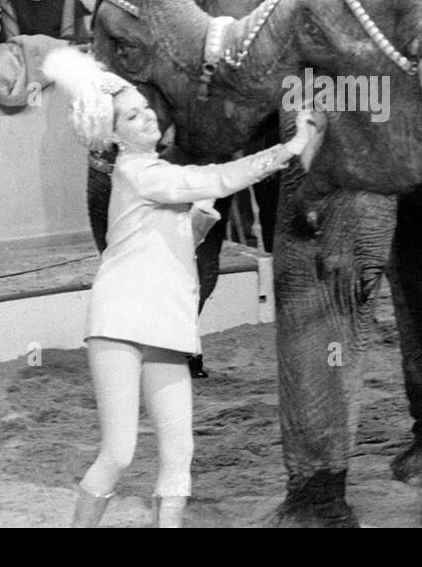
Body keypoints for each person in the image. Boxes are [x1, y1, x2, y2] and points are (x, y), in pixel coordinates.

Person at [45, 47, 317, 528]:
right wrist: (287, 152)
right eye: (131, 115)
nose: (147, 116)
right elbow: (213, 177)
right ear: (113, 135)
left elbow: (166, 246)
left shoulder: (158, 175)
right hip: (121, 319)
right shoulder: (138, 171)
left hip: (165, 316)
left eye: (145, 108)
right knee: (120, 450)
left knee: (179, 450)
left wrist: (193, 228)